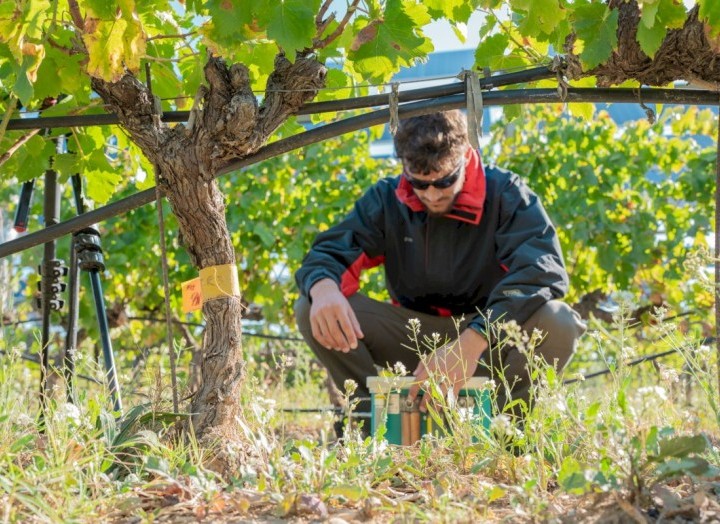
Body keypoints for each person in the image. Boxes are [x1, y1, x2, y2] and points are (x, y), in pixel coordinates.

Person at [294, 110, 586, 433]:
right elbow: (329, 253)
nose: (432, 194)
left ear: (465, 157)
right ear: (404, 167)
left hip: (489, 343)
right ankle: (370, 430)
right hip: (416, 339)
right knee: (311, 305)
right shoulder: (387, 199)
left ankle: (510, 435)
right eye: (420, 183)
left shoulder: (507, 195)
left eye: (445, 181)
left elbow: (542, 271)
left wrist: (474, 339)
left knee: (559, 321)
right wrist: (322, 287)